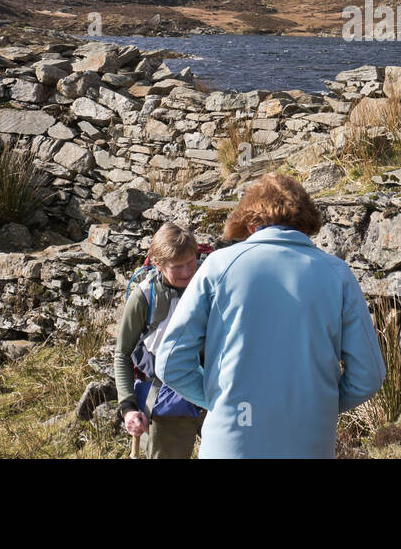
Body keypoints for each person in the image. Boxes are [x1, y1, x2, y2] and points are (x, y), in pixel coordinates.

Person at [155, 172, 386, 458]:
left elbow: (169, 362)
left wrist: (222, 400)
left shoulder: (219, 266)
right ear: (305, 224)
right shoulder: (337, 274)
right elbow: (369, 375)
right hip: (308, 443)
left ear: (250, 224)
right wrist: (315, 407)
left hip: (232, 442)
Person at [114, 222, 204, 458]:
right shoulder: (144, 297)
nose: (187, 272)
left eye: (191, 262)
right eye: (177, 266)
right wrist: (128, 407)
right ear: (158, 264)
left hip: (213, 388)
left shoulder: (210, 282)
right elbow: (122, 353)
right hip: (167, 400)